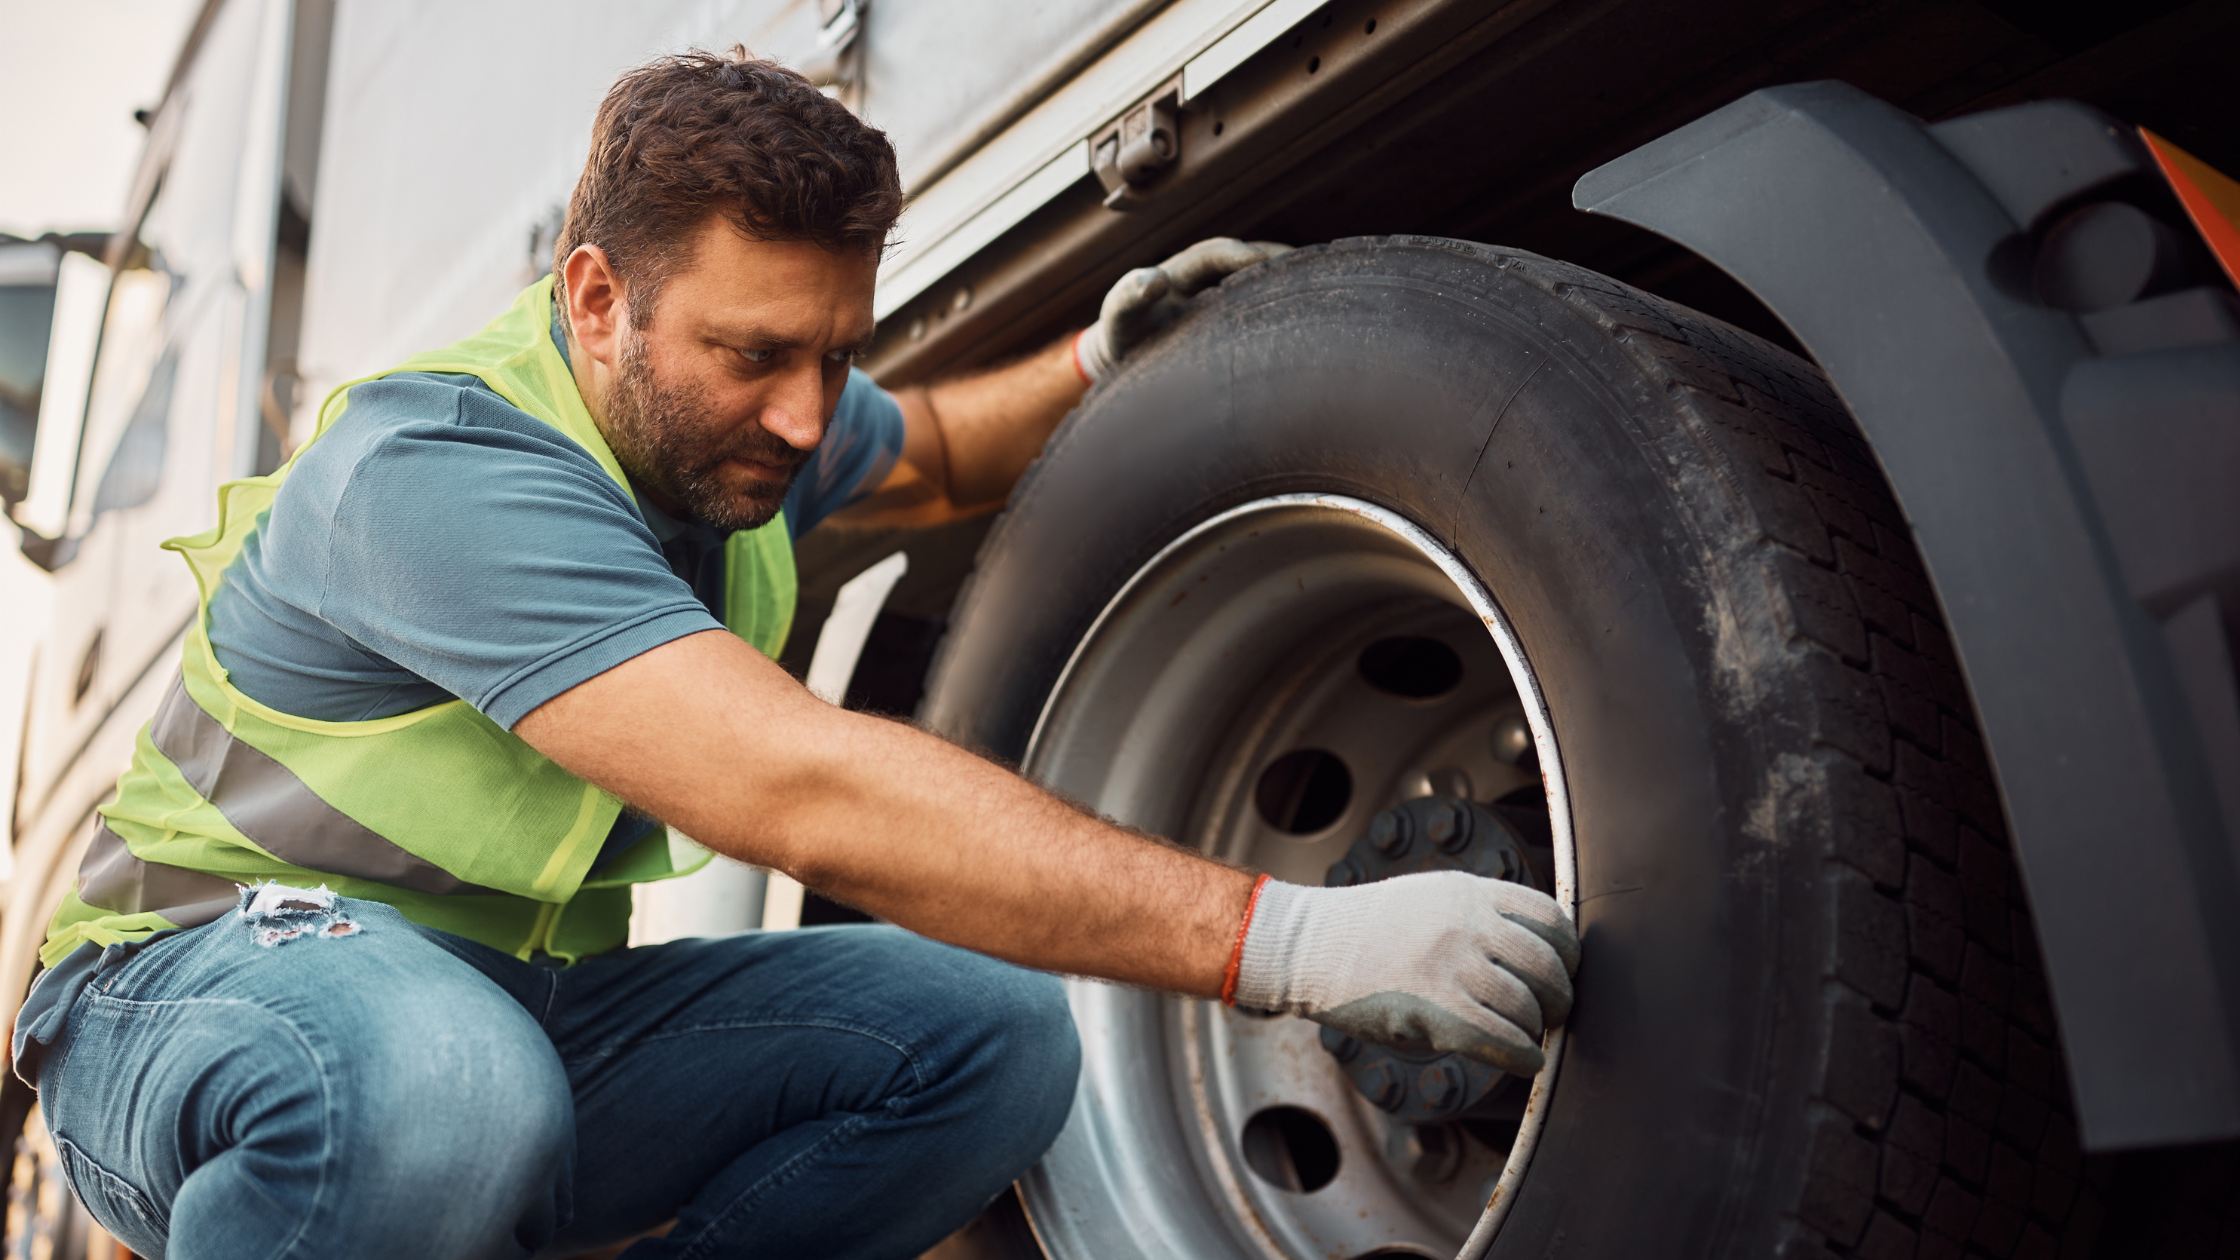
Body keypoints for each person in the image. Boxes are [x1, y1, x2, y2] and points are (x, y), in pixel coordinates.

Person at [11, 50, 1579, 1260]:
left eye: (836, 350)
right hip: (203, 984)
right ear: (597, 300)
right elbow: (804, 791)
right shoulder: (436, 469)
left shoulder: (731, 428)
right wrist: (1296, 948)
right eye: (758, 354)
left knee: (993, 1037)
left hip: (511, 1008)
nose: (809, 414)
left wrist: (1100, 353)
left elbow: (939, 449)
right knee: (445, 1089)